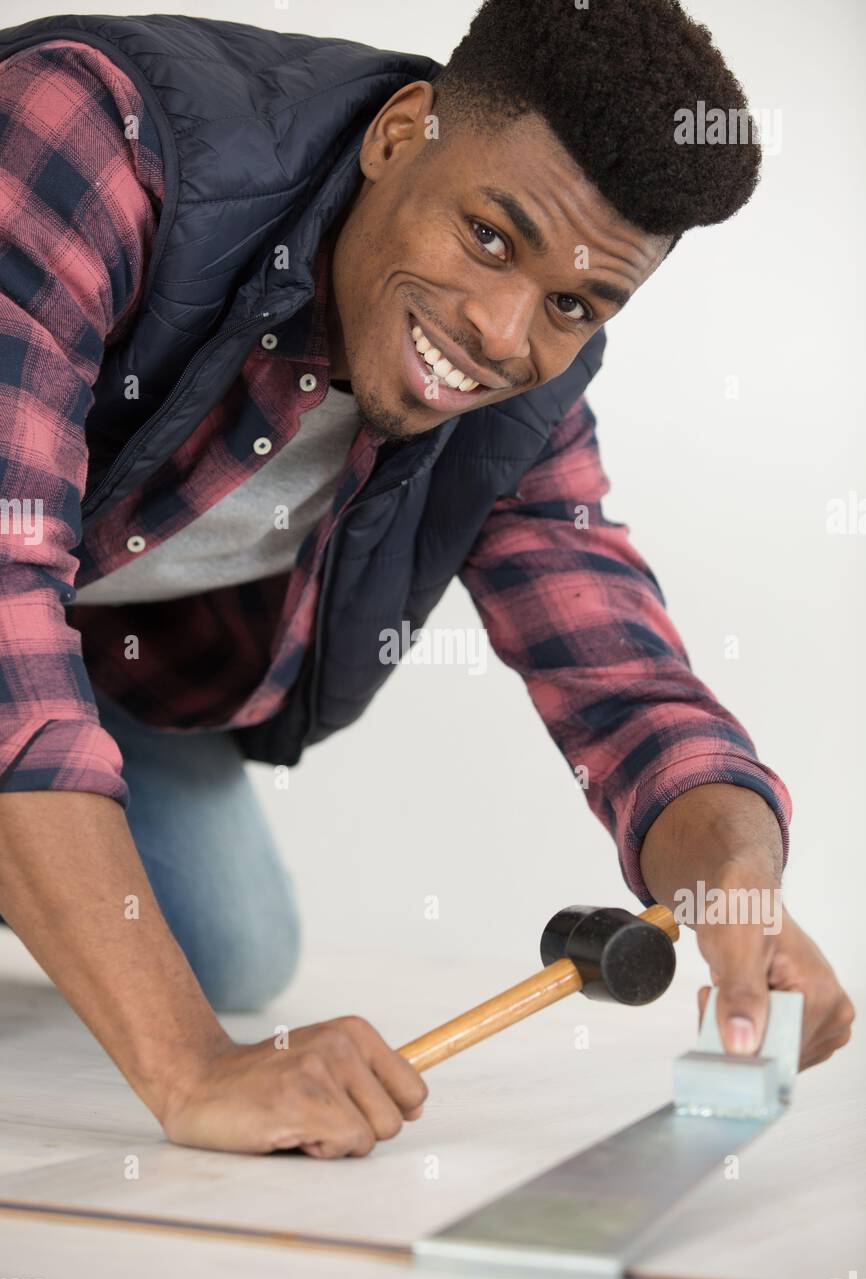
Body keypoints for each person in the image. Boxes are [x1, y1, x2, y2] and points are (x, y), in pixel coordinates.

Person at [0, 1, 852, 1159]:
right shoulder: (94, 135)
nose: (500, 334)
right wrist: (187, 1066)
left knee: (237, 949)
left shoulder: (521, 399)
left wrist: (735, 882)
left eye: (571, 304)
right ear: (400, 134)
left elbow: (624, 687)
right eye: (490, 238)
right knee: (158, 986)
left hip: (101, 642)